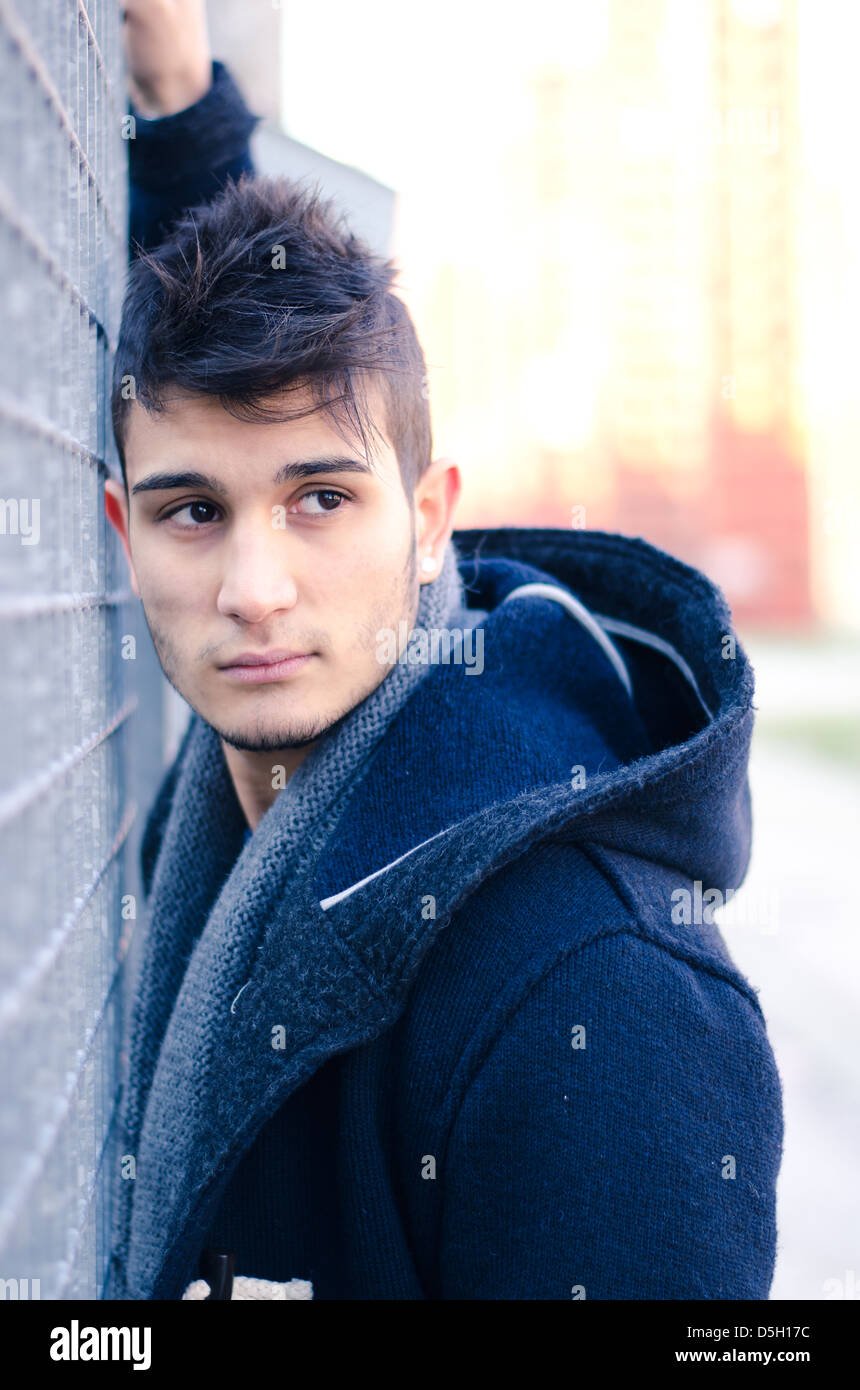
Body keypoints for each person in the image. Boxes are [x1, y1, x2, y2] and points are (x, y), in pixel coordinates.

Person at [103, 2, 783, 1301]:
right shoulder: (274, 784)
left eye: (322, 501)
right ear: (127, 535)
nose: (255, 590)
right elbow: (247, 379)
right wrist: (179, 104)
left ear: (427, 524)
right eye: (196, 512)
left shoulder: (592, 994)